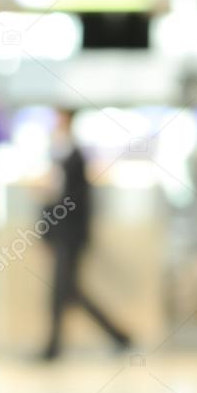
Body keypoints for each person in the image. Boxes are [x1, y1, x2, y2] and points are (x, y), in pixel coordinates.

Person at [40, 109, 131, 361]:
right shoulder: (62, 157)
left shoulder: (76, 158)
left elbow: (74, 202)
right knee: (67, 291)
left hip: (70, 237)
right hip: (64, 236)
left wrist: (50, 202)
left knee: (64, 291)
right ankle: (118, 337)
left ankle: (55, 348)